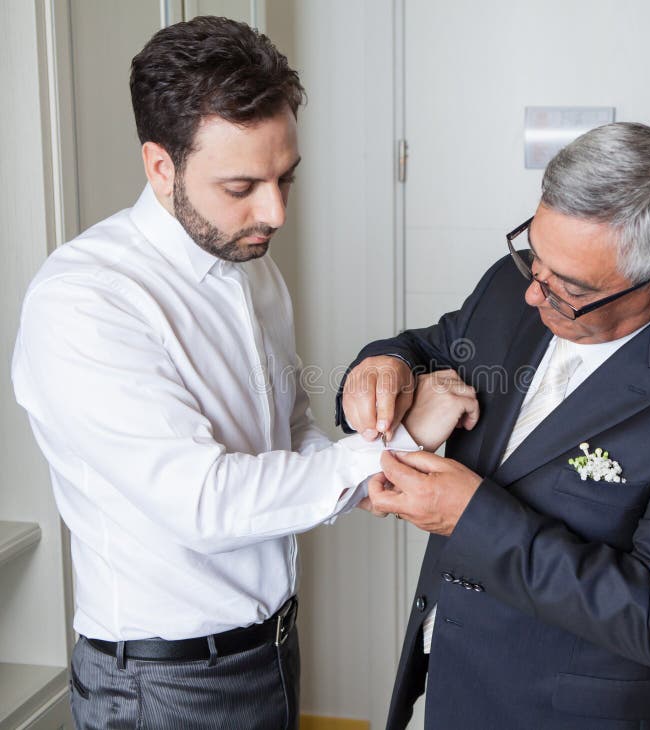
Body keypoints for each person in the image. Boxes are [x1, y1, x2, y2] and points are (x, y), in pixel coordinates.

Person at [11, 16, 477, 730]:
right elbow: (206, 502)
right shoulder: (85, 301)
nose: (276, 212)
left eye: (286, 178)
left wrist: (393, 449)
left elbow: (290, 440)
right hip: (162, 688)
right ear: (160, 166)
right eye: (242, 186)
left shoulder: (250, 268)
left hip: (270, 653)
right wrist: (396, 444)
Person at [340, 122, 650, 729]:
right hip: (450, 677)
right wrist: (383, 365)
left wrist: (470, 516)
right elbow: (432, 346)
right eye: (532, 255)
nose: (533, 294)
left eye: (569, 288)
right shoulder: (524, 281)